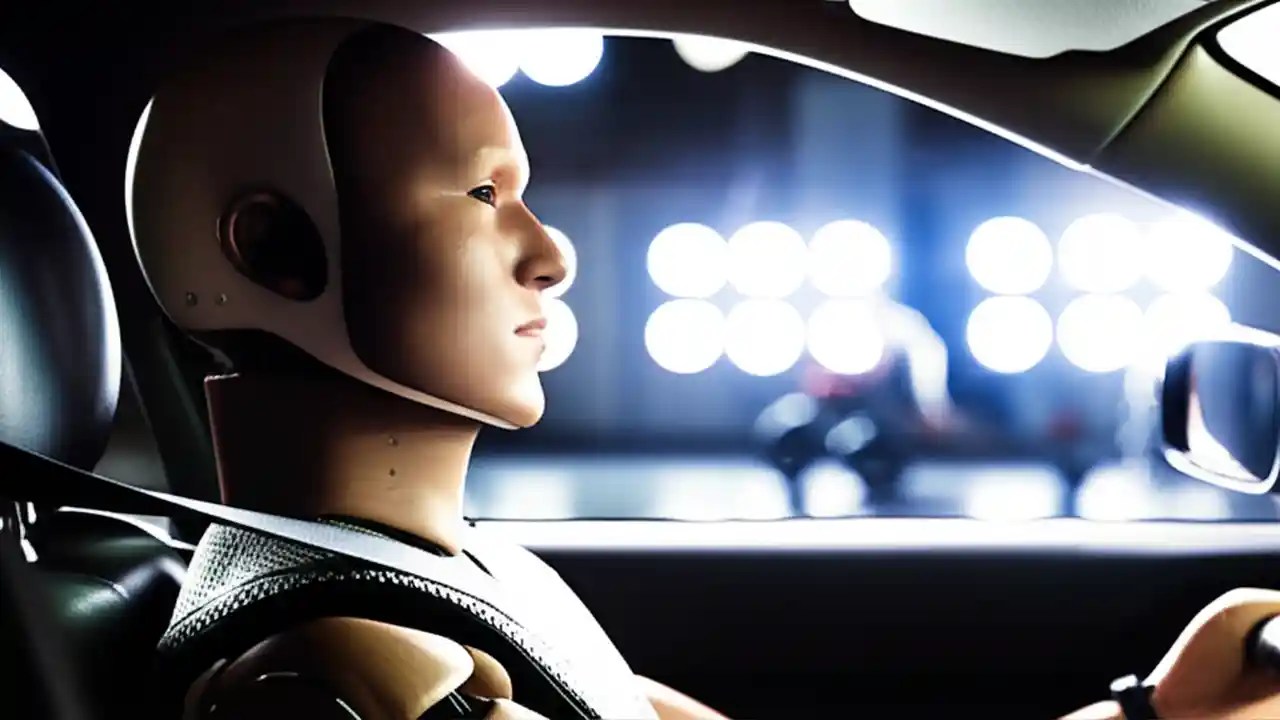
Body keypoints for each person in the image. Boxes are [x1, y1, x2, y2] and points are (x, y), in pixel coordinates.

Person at [128, 18, 724, 719]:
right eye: (483, 195)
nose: (550, 260)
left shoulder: (472, 576)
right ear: (274, 247)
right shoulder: (338, 672)